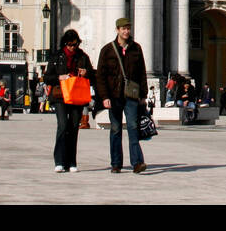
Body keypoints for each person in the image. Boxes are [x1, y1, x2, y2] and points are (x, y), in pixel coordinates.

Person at [96, 17, 149, 173]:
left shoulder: (136, 49)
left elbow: (142, 73)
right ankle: (116, 163)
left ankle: (137, 162)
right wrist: (104, 97)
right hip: (113, 95)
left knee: (133, 127)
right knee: (116, 128)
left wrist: (143, 95)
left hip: (131, 96)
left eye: (128, 28)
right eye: (123, 28)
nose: (126, 31)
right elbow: (100, 76)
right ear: (117, 30)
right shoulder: (107, 50)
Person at [44, 28, 94, 173]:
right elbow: (47, 77)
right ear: (65, 44)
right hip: (60, 95)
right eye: (70, 44)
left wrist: (86, 73)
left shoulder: (82, 56)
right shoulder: (57, 56)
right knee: (63, 125)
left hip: (76, 95)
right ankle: (59, 161)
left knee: (73, 128)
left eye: (75, 44)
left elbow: (92, 73)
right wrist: (60, 77)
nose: (73, 47)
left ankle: (71, 161)